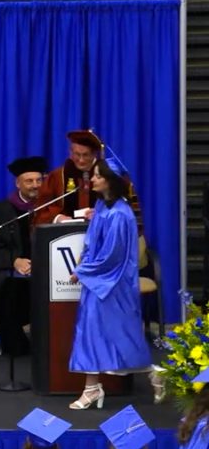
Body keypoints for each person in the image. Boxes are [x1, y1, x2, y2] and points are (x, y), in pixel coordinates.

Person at [66, 151, 158, 410]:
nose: (92, 179)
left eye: (98, 176)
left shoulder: (120, 214)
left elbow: (112, 256)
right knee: (89, 333)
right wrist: (85, 265)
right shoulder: (102, 207)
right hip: (98, 283)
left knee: (120, 335)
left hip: (113, 284)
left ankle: (153, 372)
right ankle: (91, 388)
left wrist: (83, 271)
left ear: (110, 181)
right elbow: (93, 242)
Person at [0, 156, 48, 357]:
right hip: (14, 267)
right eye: (29, 181)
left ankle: (49, 343)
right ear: (18, 183)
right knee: (3, 284)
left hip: (46, 265)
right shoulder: (1, 210)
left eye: (39, 180)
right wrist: (14, 261)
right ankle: (15, 343)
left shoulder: (53, 206)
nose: (35, 185)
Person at [34, 129, 143, 229]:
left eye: (85, 155)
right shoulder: (57, 176)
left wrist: (102, 214)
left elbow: (125, 208)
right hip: (64, 234)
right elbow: (42, 209)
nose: (81, 160)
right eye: (77, 154)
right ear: (70, 152)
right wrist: (57, 217)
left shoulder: (110, 175)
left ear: (95, 154)